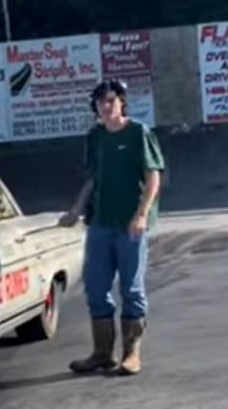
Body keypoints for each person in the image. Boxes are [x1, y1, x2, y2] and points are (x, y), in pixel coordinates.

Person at [59, 79, 165, 376]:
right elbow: (92, 179)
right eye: (100, 102)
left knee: (131, 287)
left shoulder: (138, 133)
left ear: (121, 102)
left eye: (110, 100)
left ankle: (131, 354)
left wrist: (142, 214)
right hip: (100, 222)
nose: (105, 107)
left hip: (130, 223)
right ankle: (101, 353)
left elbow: (153, 176)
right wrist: (77, 209)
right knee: (95, 287)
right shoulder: (95, 136)